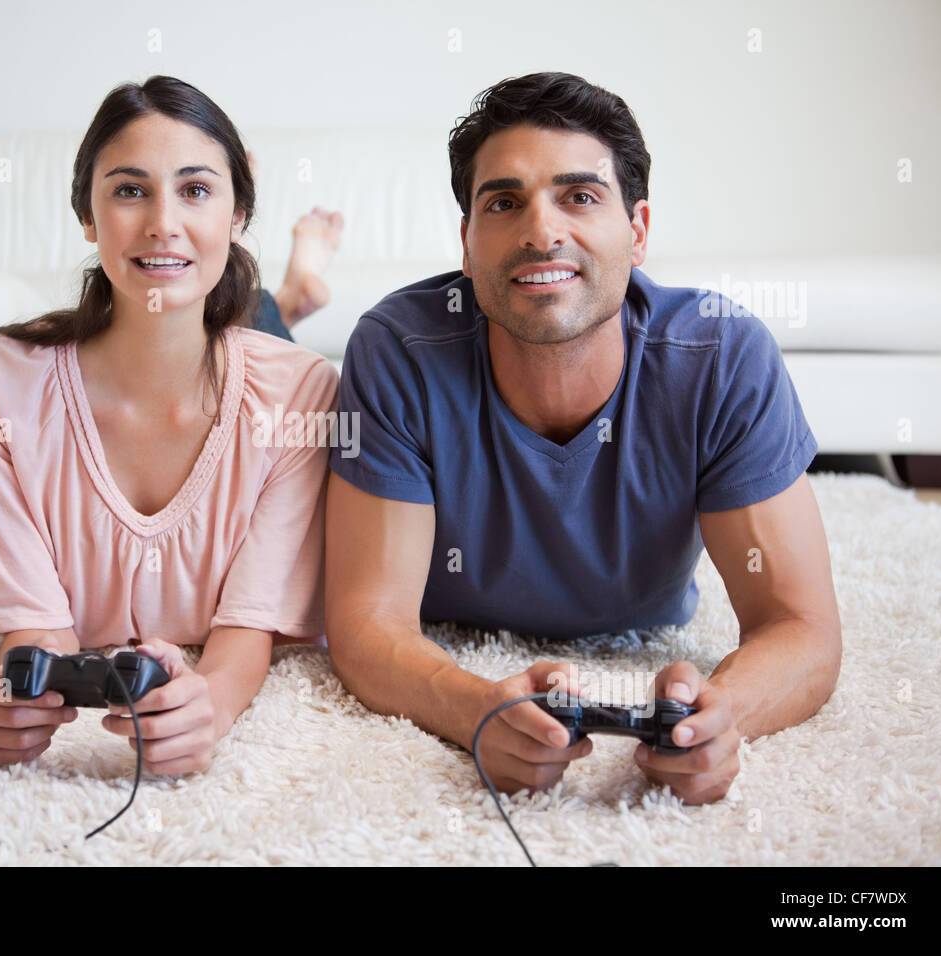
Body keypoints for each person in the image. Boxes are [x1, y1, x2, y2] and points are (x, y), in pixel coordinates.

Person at [324, 72, 842, 805]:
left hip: (647, 622)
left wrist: (724, 717)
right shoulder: (396, 349)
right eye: (503, 202)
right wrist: (472, 707)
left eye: (580, 196)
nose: (541, 231)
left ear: (637, 232)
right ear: (467, 244)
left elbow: (802, 627)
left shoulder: (723, 356)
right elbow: (367, 626)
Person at [0, 75, 343, 775]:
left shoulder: (305, 394)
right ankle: (290, 292)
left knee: (262, 333)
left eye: (196, 190)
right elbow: (36, 621)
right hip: (181, 320)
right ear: (87, 214)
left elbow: (246, 627)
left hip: (248, 346)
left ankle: (292, 292)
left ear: (238, 216)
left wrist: (215, 703)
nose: (161, 222)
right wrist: (22, 695)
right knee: (219, 304)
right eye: (129, 189)